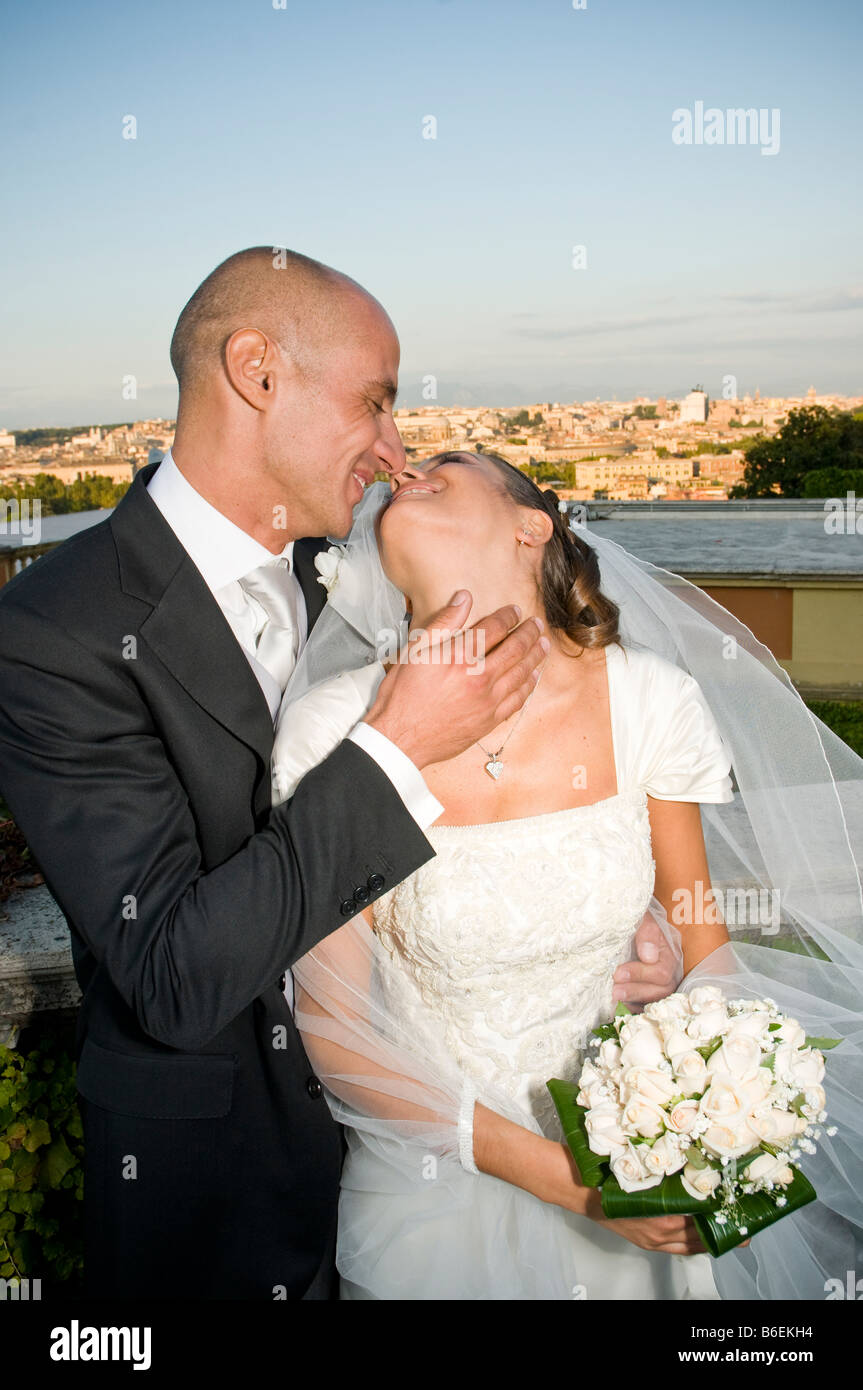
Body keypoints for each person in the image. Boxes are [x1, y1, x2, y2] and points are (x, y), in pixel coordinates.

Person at [0, 250, 671, 1300]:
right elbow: (171, 970)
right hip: (227, 1191)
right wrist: (395, 746)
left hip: (439, 1154)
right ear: (257, 371)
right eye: (374, 403)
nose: (393, 450)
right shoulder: (53, 627)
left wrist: (612, 926)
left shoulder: (355, 586)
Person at [273, 450, 863, 1300]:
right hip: (435, 1197)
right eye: (399, 476)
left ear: (530, 524)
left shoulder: (649, 701)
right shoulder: (334, 730)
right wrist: (569, 1184)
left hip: (633, 1167)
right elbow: (336, 1037)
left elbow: (699, 935)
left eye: (447, 464)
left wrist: (712, 1094)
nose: (404, 472)